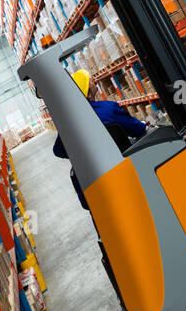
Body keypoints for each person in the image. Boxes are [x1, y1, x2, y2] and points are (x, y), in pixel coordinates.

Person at [52, 68, 149, 208]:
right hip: (125, 171)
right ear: (88, 92)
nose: (94, 81)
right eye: (90, 81)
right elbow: (138, 129)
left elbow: (58, 151)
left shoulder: (69, 125)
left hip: (96, 186)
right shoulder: (108, 109)